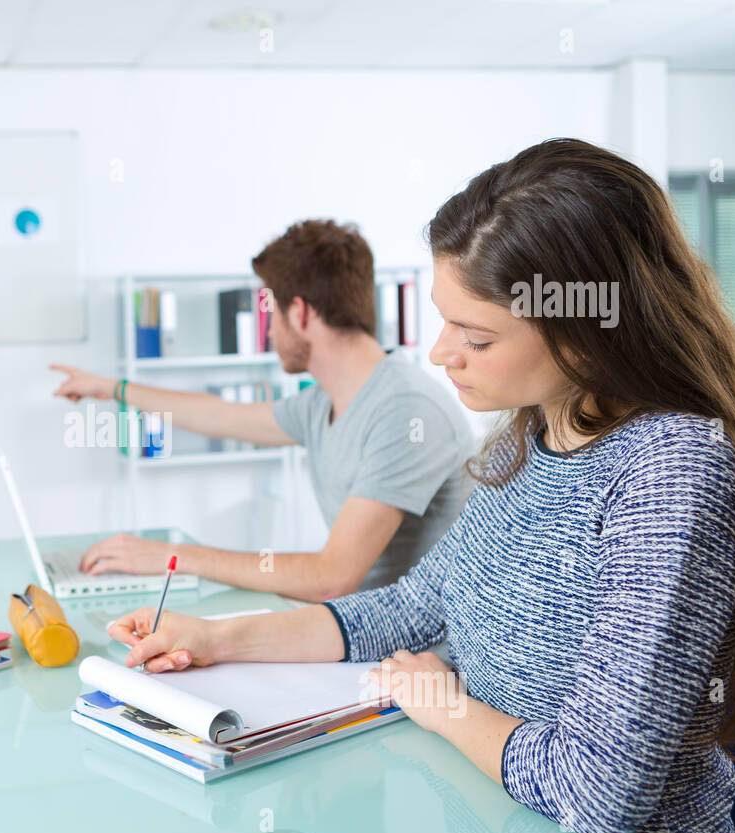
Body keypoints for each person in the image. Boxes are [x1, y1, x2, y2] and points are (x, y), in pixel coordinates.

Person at [106, 139, 735, 833]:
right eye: (444, 320)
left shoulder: (670, 472)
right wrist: (218, 639)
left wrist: (444, 705)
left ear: (586, 330)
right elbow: (412, 606)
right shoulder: (532, 436)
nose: (440, 353)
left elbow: (598, 789)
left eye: (477, 337)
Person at [51, 220, 475, 603]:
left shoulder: (404, 410)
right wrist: (113, 388)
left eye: (270, 312)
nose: (269, 331)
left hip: (416, 658)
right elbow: (219, 416)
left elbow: (332, 577)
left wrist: (169, 556)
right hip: (358, 628)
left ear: (301, 312)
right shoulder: (321, 401)